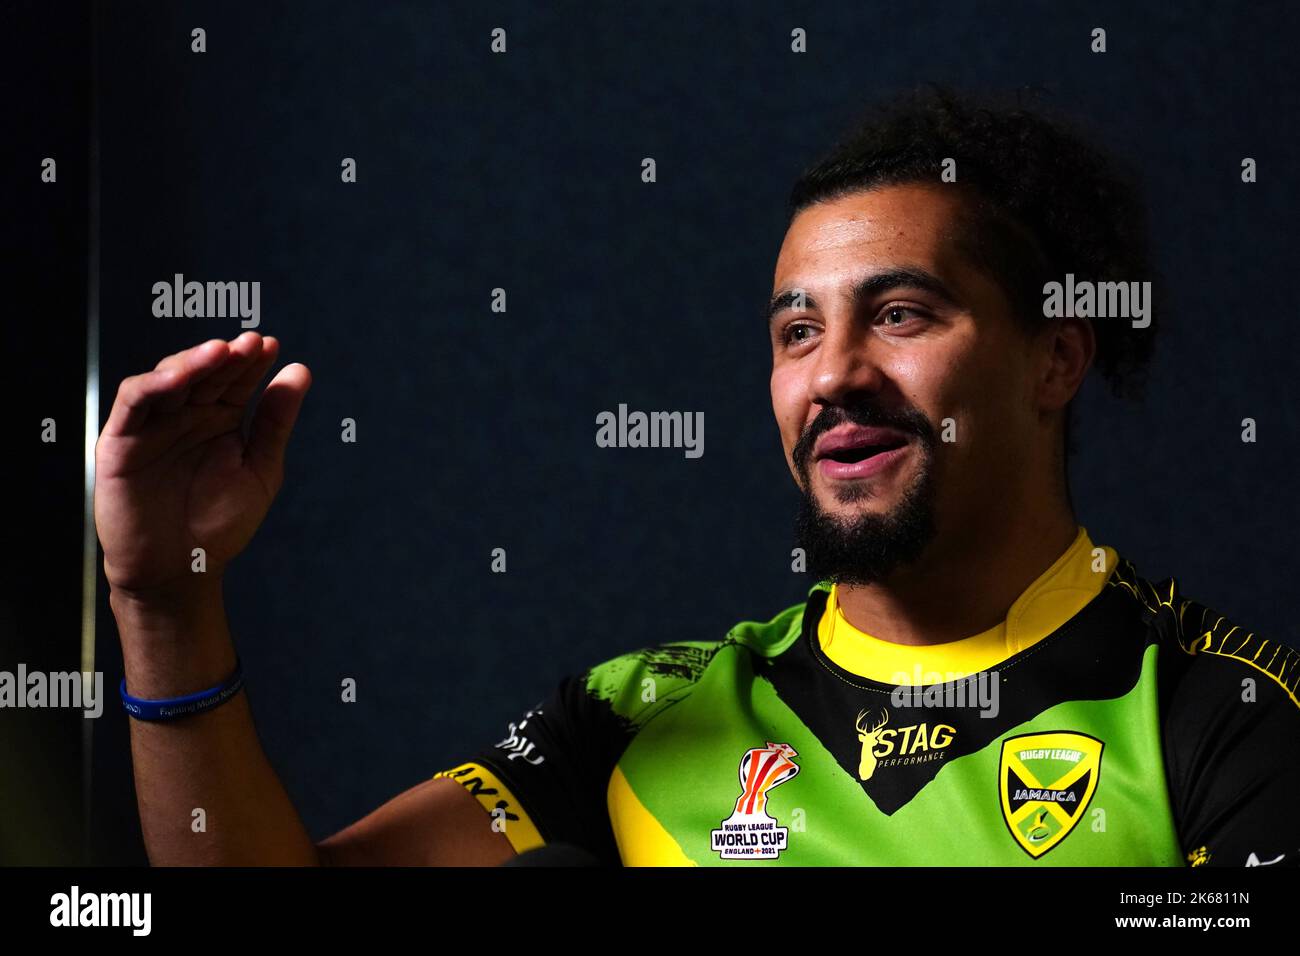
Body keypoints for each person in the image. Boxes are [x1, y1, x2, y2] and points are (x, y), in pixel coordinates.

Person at [96, 87, 1299, 867]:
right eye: (793, 332)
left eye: (900, 313)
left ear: (1055, 356)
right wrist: (164, 599)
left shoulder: (1221, 723)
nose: (833, 374)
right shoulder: (644, 712)